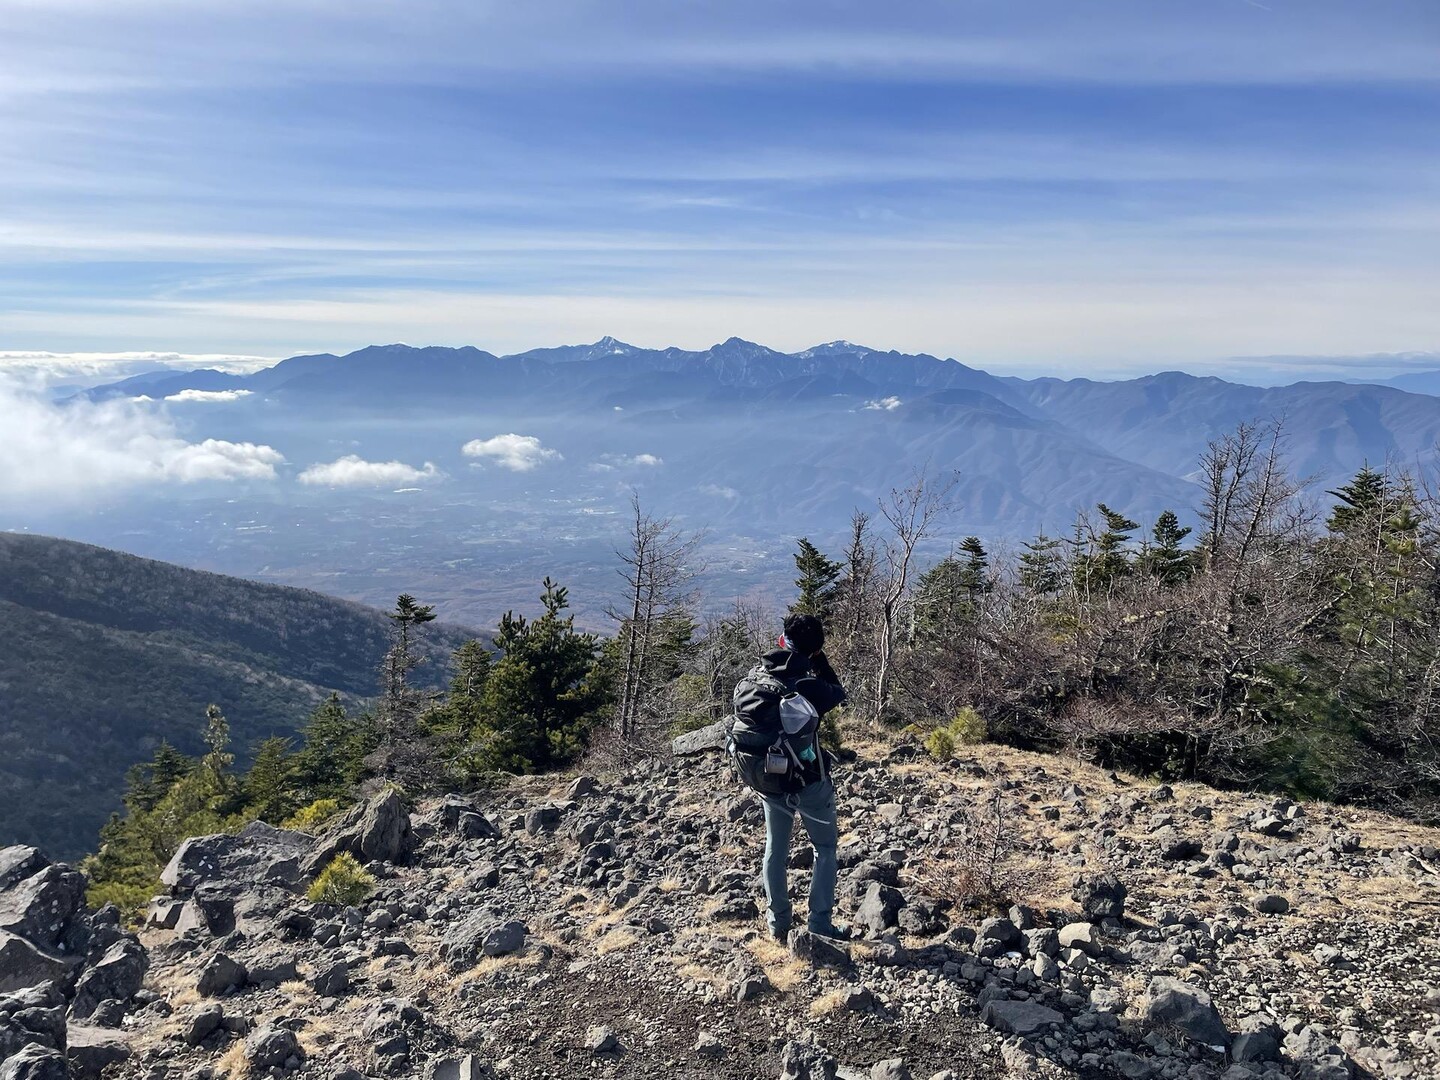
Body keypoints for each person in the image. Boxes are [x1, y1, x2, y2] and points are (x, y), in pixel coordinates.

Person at [728, 613, 848, 942]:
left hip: (768, 779)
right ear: (813, 650)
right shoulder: (807, 685)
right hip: (808, 781)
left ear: (783, 639)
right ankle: (819, 925)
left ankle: (778, 925)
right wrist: (819, 660)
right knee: (825, 848)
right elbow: (838, 692)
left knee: (775, 850)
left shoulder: (757, 675)